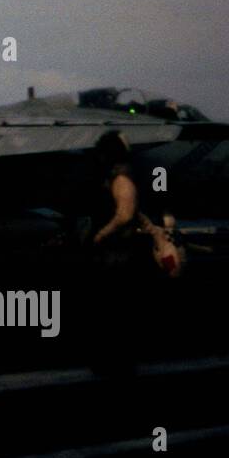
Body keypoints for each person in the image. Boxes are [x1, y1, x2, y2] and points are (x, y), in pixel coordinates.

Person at [87, 131, 144, 374]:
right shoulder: (119, 175)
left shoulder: (121, 178)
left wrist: (101, 234)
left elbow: (125, 215)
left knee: (114, 311)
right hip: (116, 254)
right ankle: (115, 361)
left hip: (118, 255)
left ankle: (116, 363)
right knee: (114, 311)